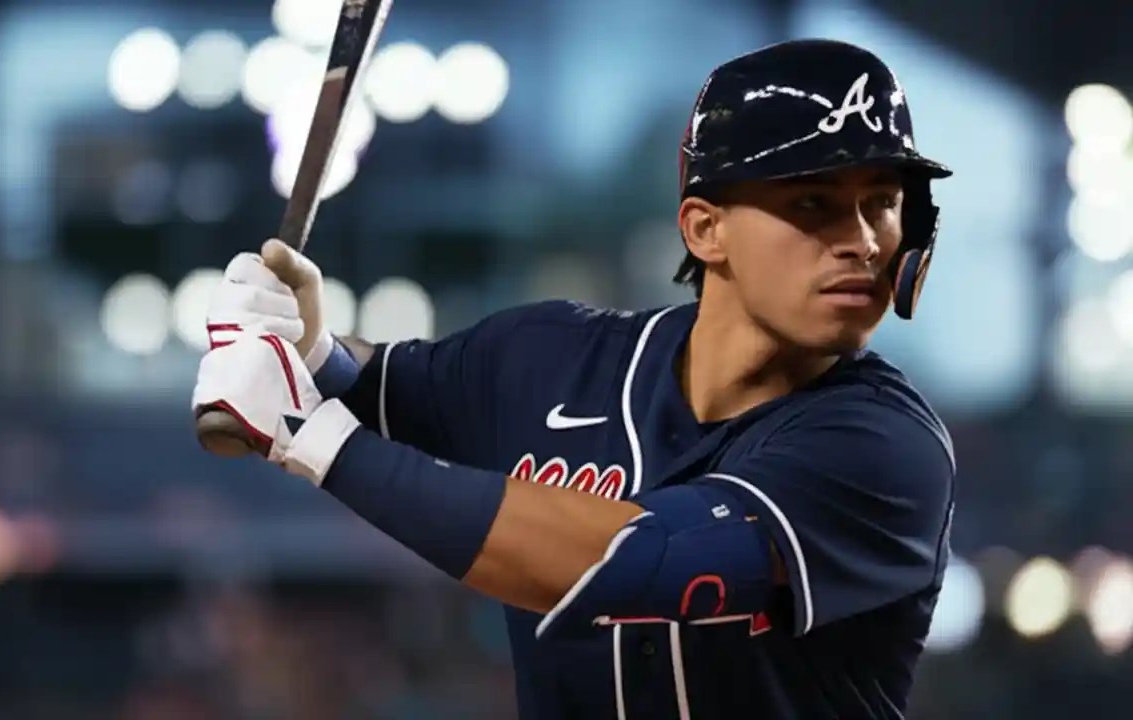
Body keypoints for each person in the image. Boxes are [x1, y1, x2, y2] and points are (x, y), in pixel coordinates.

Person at [192, 38, 958, 720]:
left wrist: (317, 441)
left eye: (881, 204)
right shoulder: (551, 355)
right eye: (814, 204)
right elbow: (373, 383)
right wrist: (308, 344)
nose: (860, 241)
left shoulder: (885, 447)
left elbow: (641, 561)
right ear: (705, 229)